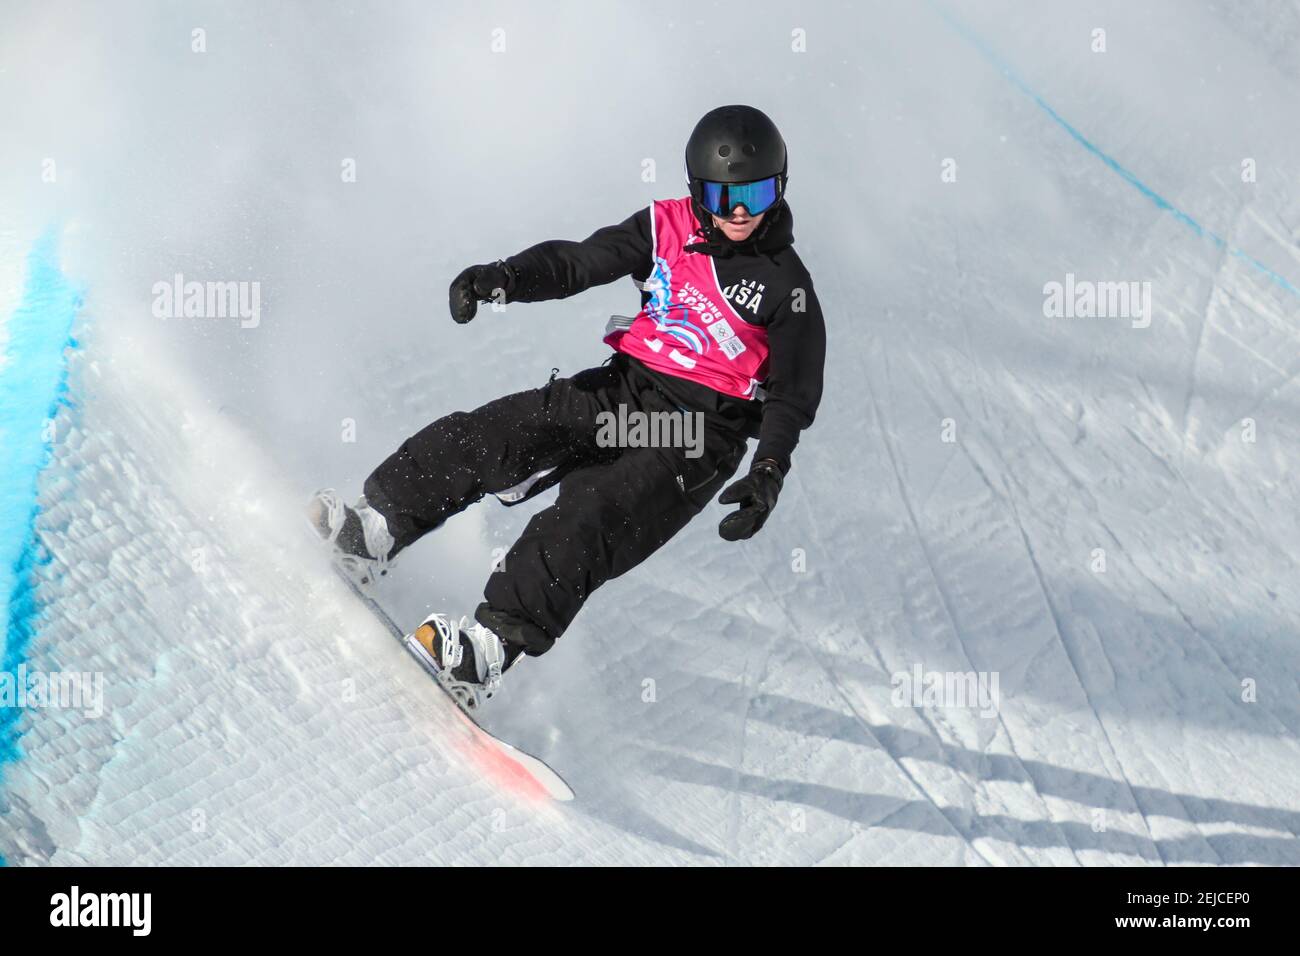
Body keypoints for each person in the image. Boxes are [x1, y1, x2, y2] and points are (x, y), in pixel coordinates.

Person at [310, 105, 826, 709]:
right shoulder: (667, 226)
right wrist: (504, 277)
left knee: (592, 514)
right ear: (697, 190)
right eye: (722, 193)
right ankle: (376, 528)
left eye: (757, 193)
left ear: (780, 187)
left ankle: (489, 648)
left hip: (697, 433)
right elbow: (580, 262)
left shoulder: (788, 285)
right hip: (626, 391)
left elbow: (792, 394)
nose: (740, 211)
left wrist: (768, 473)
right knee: (503, 431)